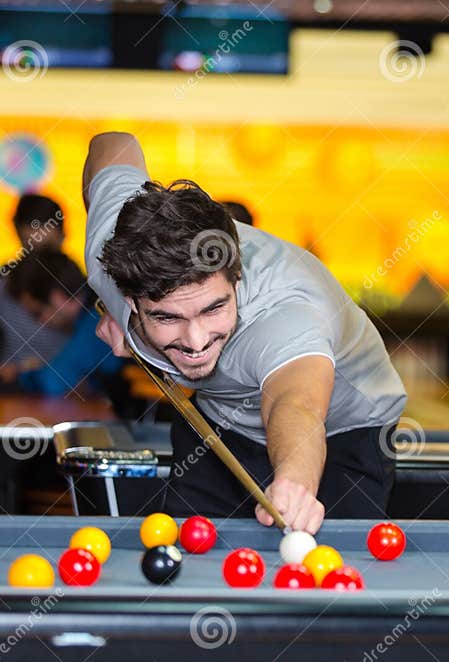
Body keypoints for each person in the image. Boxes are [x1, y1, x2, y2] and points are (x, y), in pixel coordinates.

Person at [83, 132, 406, 534]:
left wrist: (295, 481)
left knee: (330, 579)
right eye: (167, 318)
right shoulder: (111, 255)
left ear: (237, 279)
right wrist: (115, 315)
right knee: (190, 552)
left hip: (345, 428)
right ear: (131, 298)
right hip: (220, 416)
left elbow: (297, 404)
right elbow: (114, 143)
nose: (196, 341)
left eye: (214, 308)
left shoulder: (284, 315)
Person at [0, 250, 123, 396]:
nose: (41, 322)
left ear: (58, 296)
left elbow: (52, 383)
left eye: (38, 313)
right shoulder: (99, 304)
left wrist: (16, 373)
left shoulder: (101, 317)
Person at [0, 194, 70, 365]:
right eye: (30, 247)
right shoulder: (4, 279)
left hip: (73, 384)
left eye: (48, 253)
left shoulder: (86, 285)